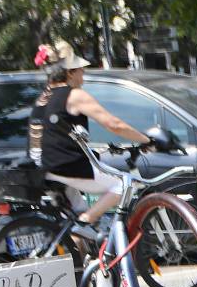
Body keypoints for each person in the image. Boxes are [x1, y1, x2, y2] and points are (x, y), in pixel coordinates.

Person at [27, 42, 152, 224]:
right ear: (70, 72)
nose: (83, 74)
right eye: (80, 69)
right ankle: (86, 220)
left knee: (77, 218)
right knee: (125, 184)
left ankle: (79, 242)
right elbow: (113, 124)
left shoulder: (43, 97)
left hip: (42, 167)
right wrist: (146, 140)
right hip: (65, 165)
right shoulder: (74, 95)